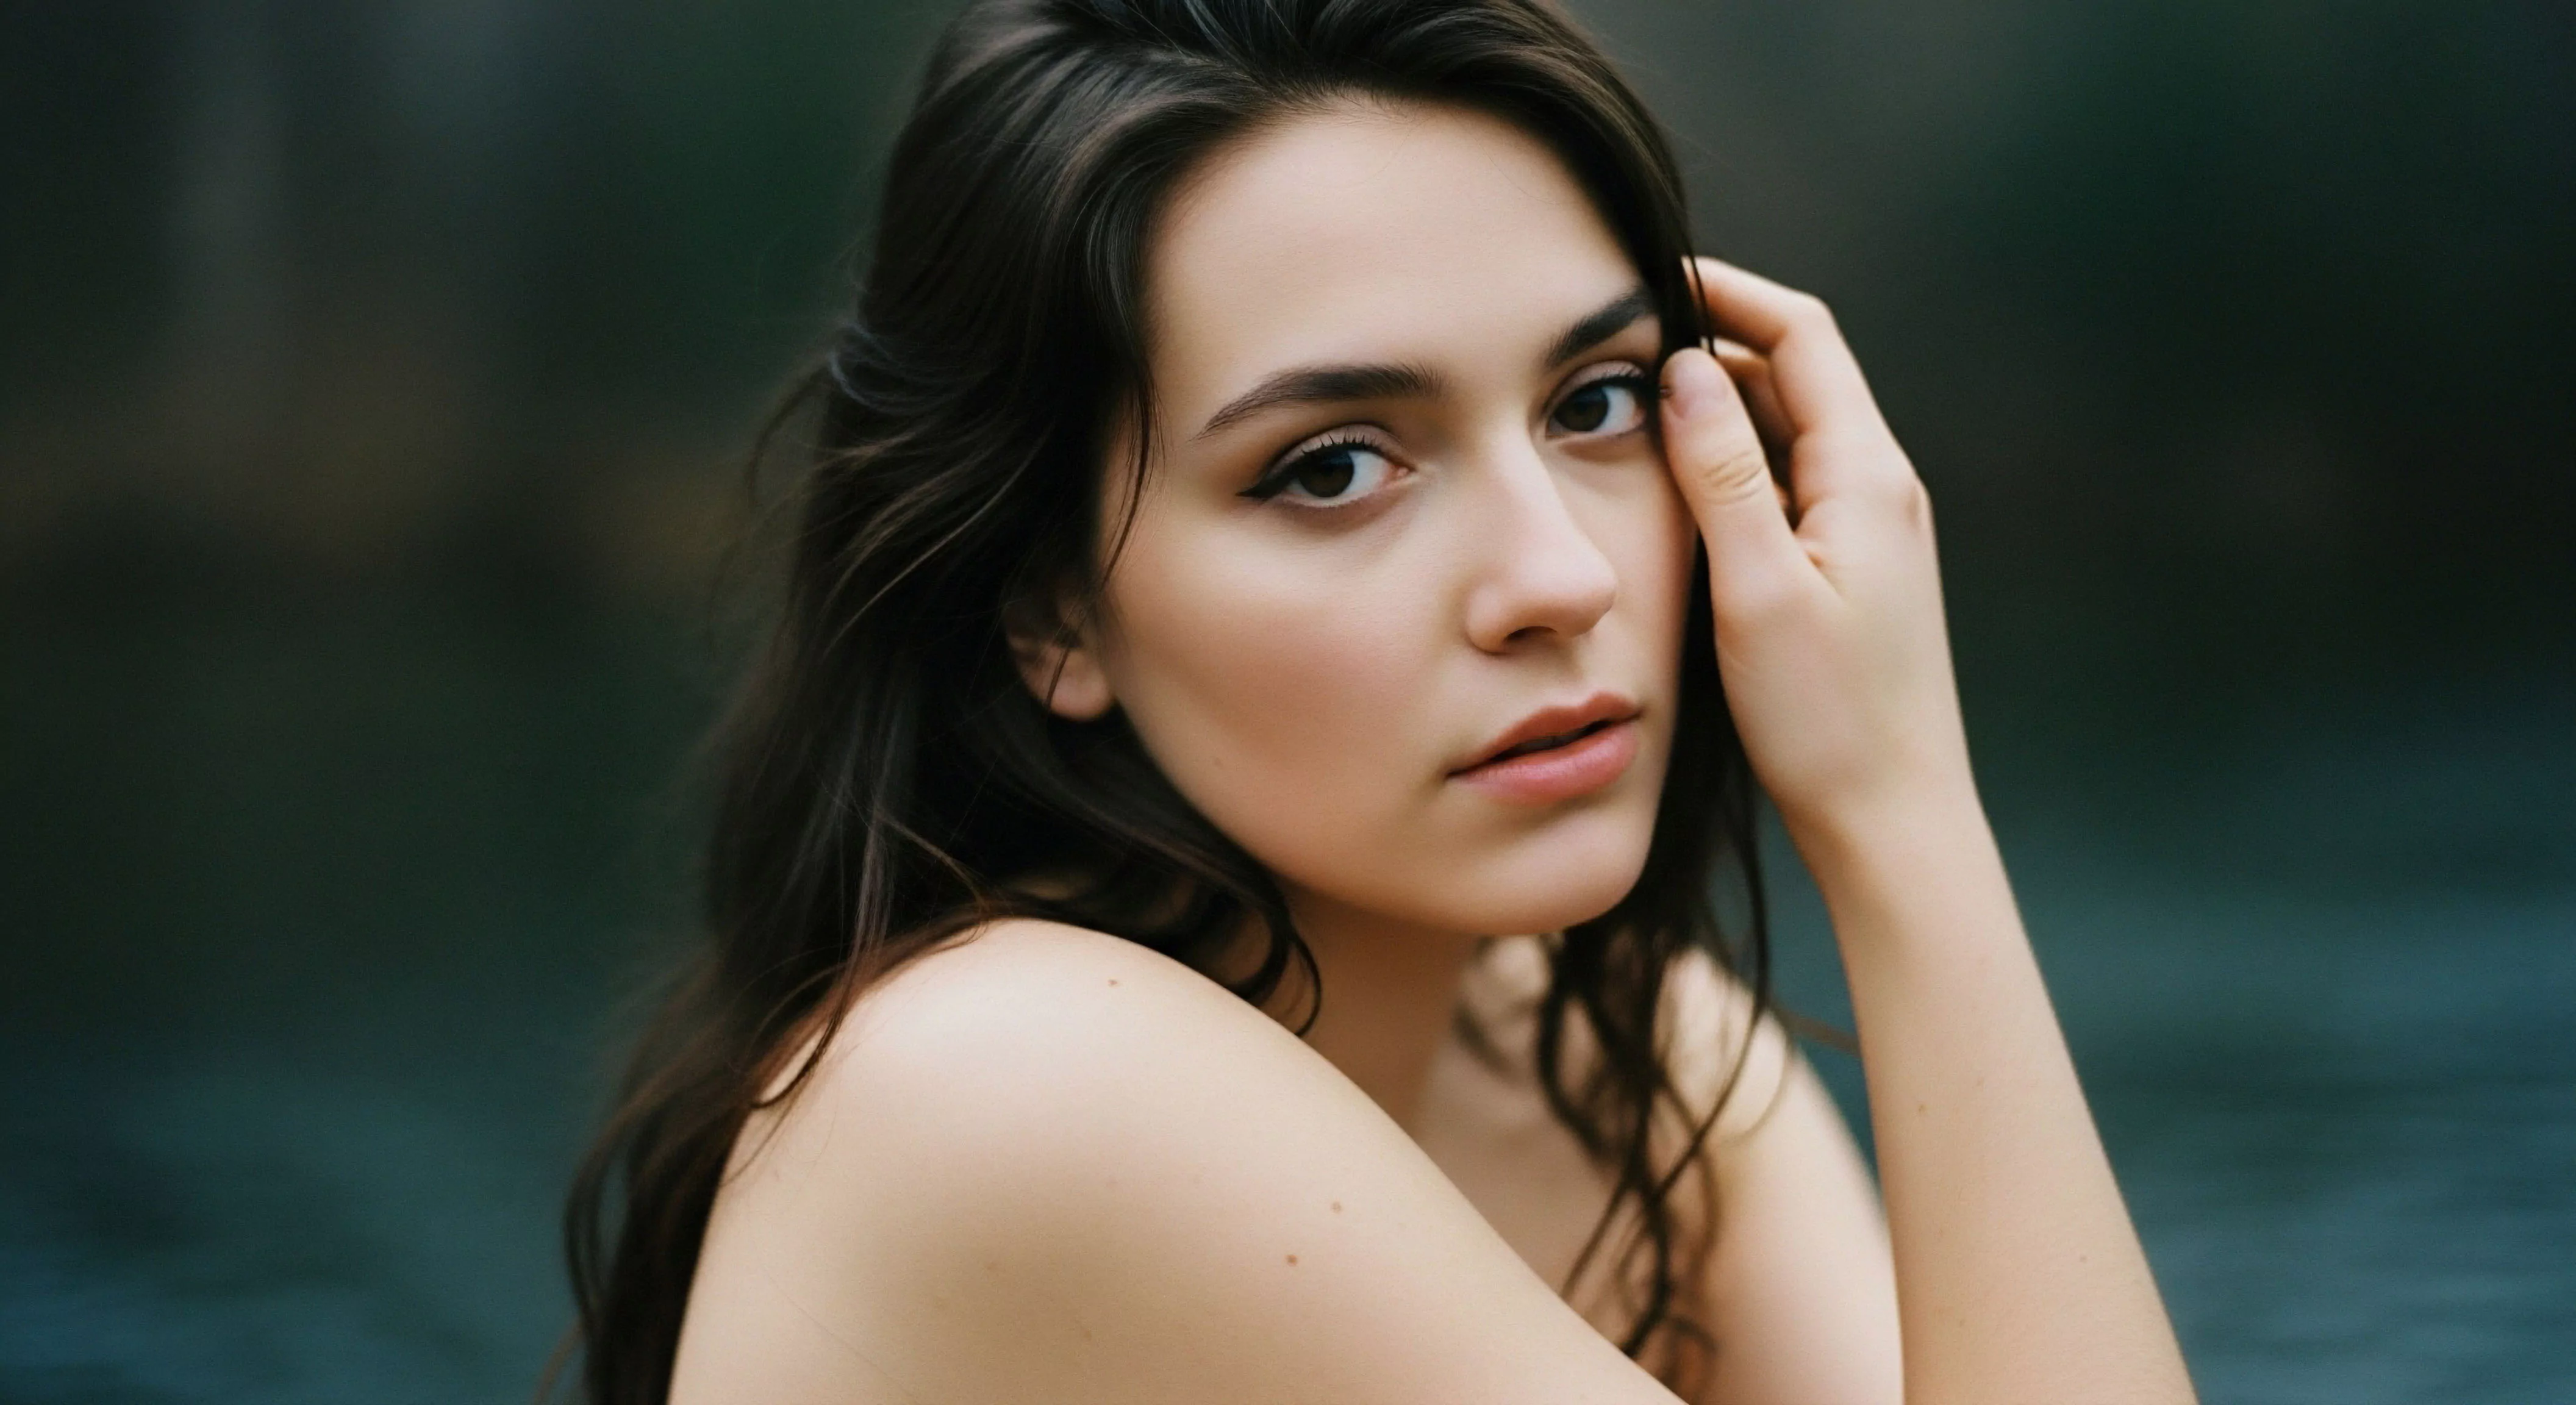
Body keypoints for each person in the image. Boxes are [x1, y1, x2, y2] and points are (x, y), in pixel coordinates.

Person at [558, 1, 2199, 1401]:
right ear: (1051, 607)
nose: (1559, 575)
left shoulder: (1629, 1062)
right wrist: (1901, 816)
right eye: (1333, 467)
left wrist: (1901, 821)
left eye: (1598, 399)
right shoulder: (997, 1080)